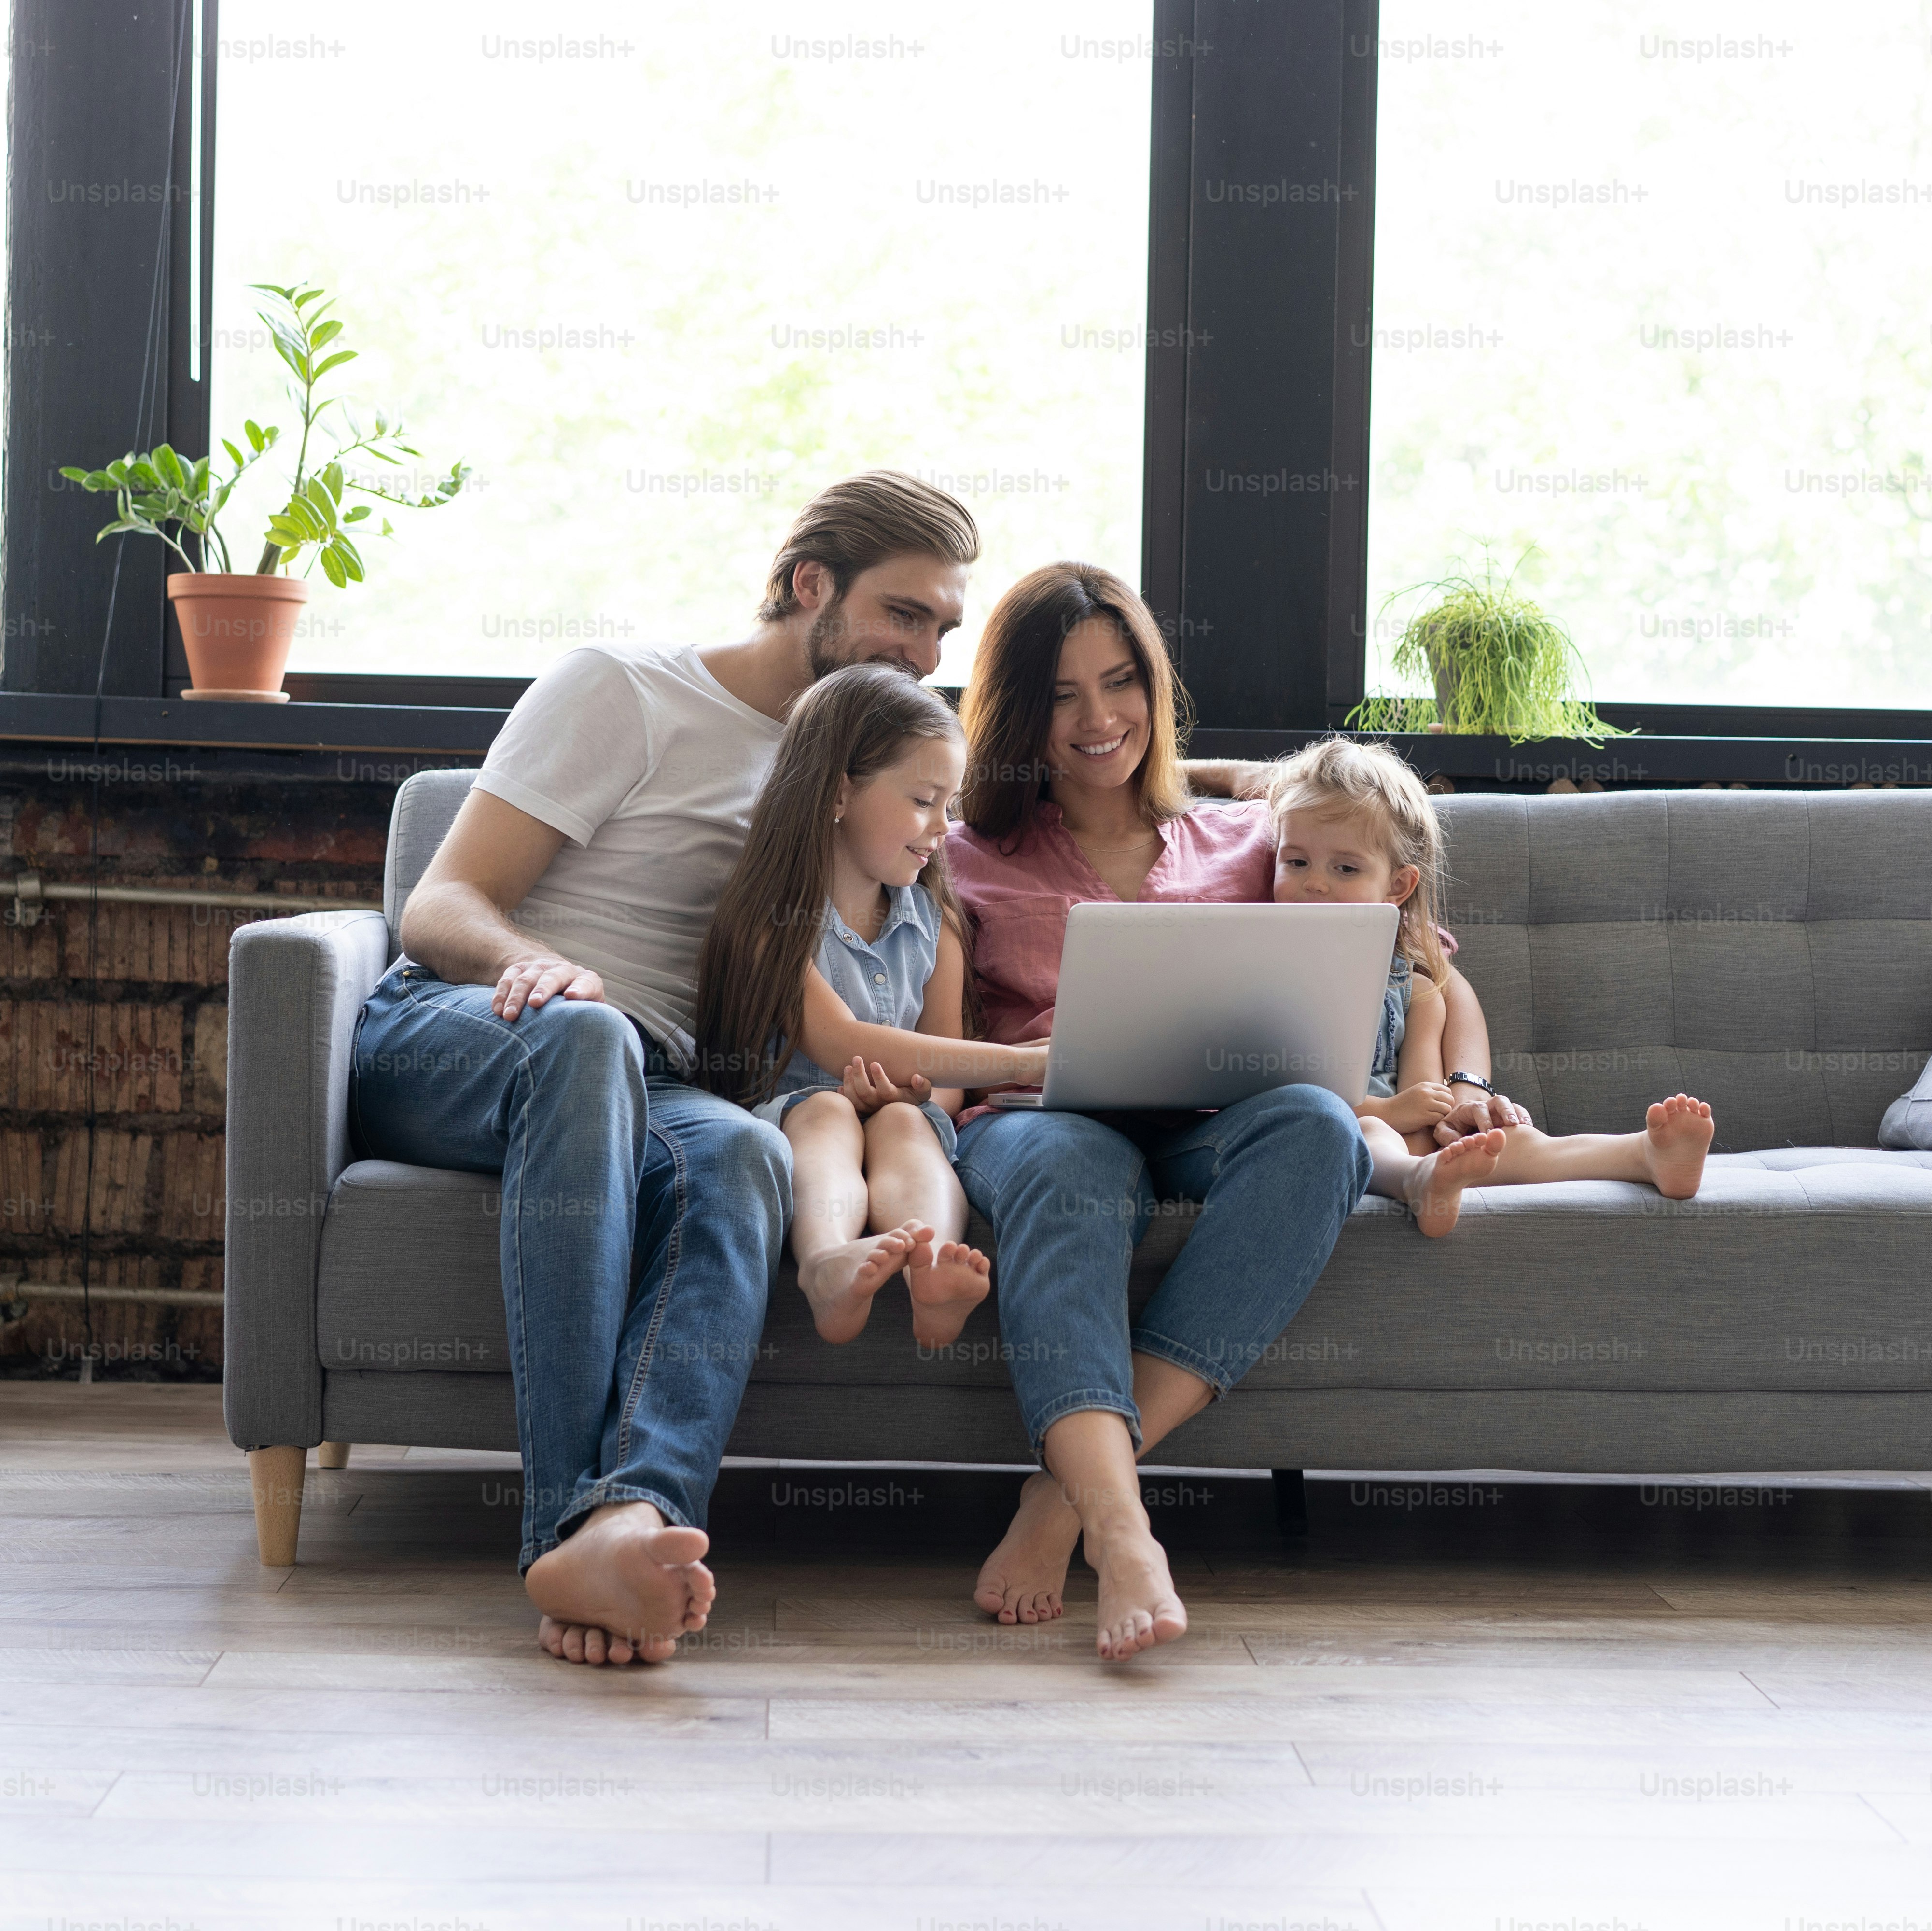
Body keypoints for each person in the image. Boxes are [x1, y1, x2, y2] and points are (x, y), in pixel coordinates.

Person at [351, 471, 978, 1666]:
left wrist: (1237, 782)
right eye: (907, 614)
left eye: (946, 629)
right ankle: (560, 1529)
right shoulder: (626, 689)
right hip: (469, 1028)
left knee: (743, 1146)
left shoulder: (863, 761)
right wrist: (544, 970)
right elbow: (441, 903)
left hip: (660, 1079)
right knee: (591, 1039)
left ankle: (637, 1515)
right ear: (812, 586)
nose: (926, 650)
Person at [941, 561, 1392, 1663]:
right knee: (1066, 1168)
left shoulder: (1250, 837)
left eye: (1120, 681)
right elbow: (947, 1066)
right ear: (1014, 711)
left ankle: (1063, 1502)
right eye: (1058, 694)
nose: (1099, 718)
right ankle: (1126, 1528)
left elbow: (1404, 937)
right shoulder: (960, 855)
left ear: (1153, 681)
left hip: (1210, 1115)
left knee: (1319, 1130)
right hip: (1044, 1114)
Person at [693, 666, 1039, 1347]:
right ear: (838, 792)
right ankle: (825, 1263)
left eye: (951, 804)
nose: (944, 827)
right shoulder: (773, 915)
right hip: (795, 1113)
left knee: (909, 1126)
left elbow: (948, 1080)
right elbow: (836, 1041)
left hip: (898, 1117)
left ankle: (930, 1266)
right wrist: (1028, 1063)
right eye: (922, 800)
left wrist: (917, 1096)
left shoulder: (933, 917)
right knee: (825, 1110)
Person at [1261, 736, 1715, 1235]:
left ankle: (1643, 1154)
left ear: (1398, 887)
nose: (1316, 883)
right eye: (1296, 862)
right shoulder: (1277, 972)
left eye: (1344, 868)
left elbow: (1426, 1089)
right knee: (1367, 1131)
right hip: (1336, 1135)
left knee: (1518, 1142)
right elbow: (1280, 1089)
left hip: (1414, 1134)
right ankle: (1419, 1180)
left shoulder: (1417, 986)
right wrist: (1390, 1112)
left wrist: (1445, 1121)